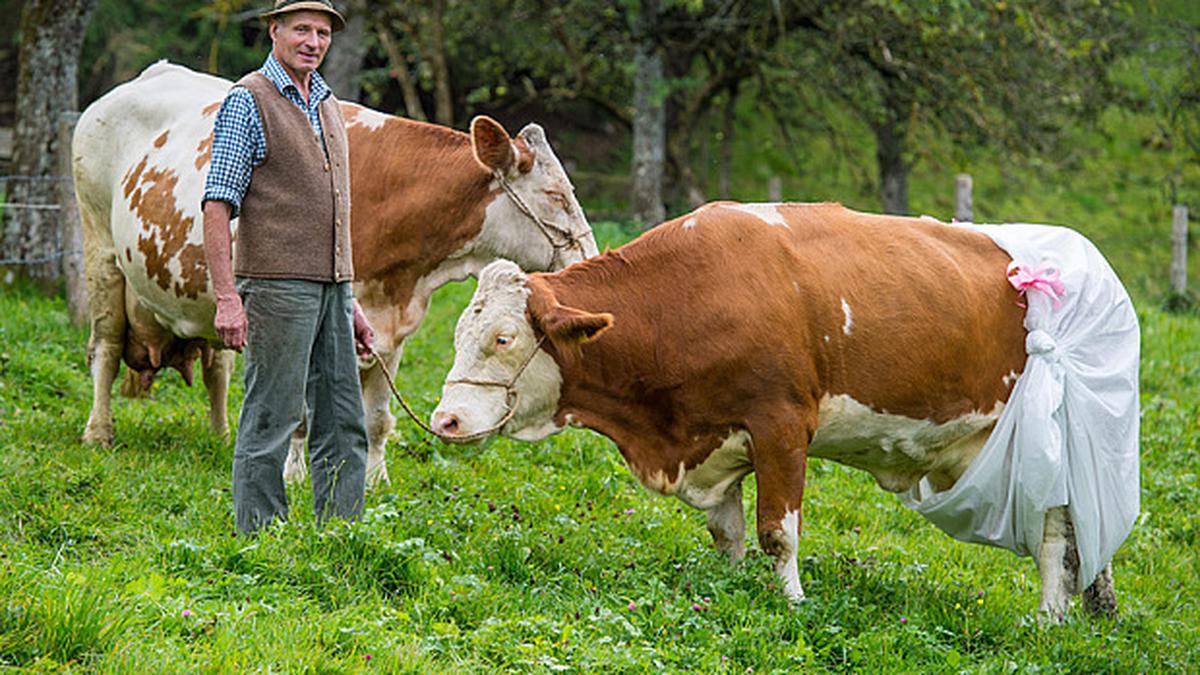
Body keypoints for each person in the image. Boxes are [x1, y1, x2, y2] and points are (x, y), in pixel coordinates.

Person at [202, 0, 374, 535]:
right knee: (272, 417)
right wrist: (228, 297)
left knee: (344, 419)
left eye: (323, 33)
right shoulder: (248, 100)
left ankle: (339, 533)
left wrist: (354, 302)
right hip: (276, 286)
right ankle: (259, 539)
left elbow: (332, 212)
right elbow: (216, 204)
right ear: (274, 31)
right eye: (302, 29)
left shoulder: (326, 103)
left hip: (334, 288)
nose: (314, 42)